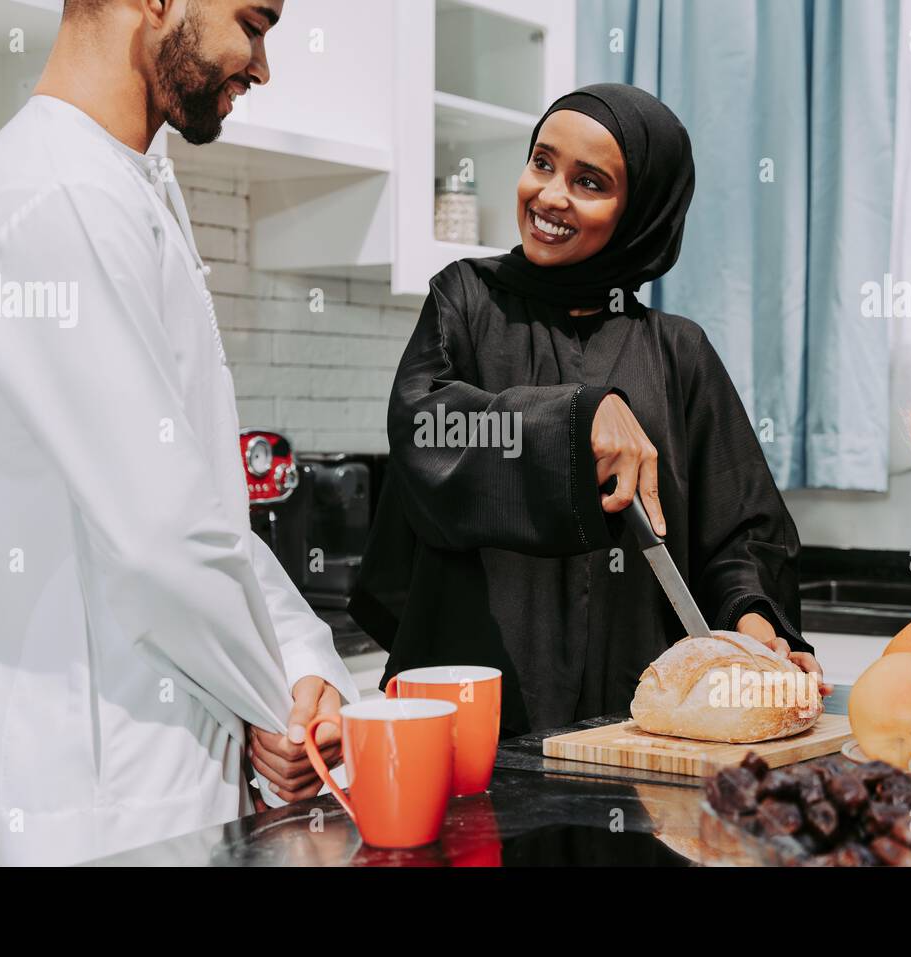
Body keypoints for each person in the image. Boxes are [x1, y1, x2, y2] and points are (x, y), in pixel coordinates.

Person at [0, 0, 355, 866]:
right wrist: (280, 703)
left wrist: (306, 678)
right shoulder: (52, 191)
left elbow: (199, 511)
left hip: (158, 788)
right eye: (254, 23)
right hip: (88, 806)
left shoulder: (125, 184)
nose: (262, 67)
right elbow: (162, 537)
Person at [350, 84, 829, 737]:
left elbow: (739, 529)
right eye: (542, 163)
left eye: (590, 182)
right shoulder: (464, 299)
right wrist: (577, 421)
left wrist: (755, 628)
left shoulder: (678, 351)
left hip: (645, 729)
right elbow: (426, 428)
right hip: (473, 715)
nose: (550, 195)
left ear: (642, 212)